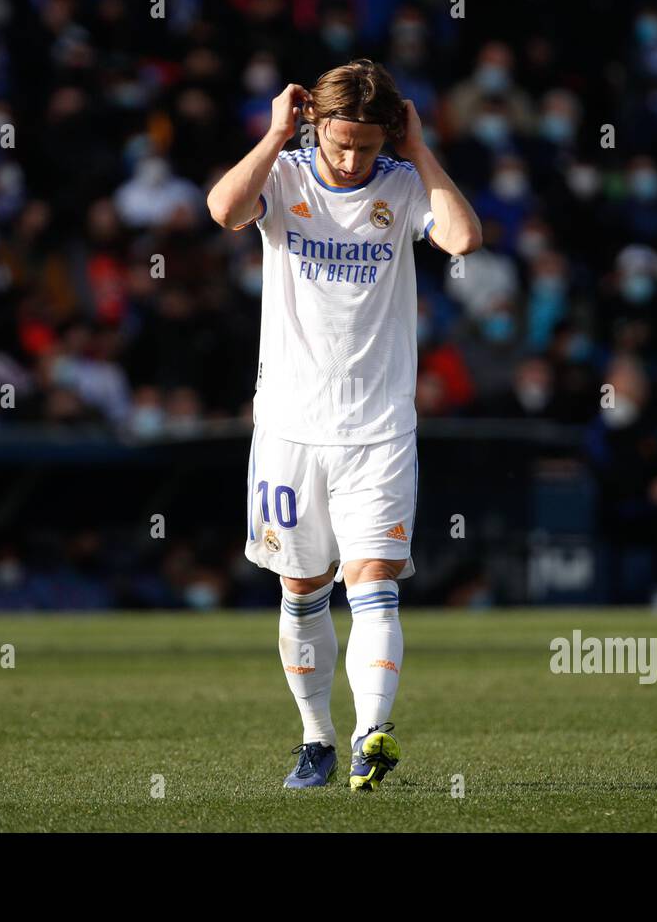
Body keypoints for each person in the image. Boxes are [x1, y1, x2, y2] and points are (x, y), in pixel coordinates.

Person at [206, 59, 482, 791]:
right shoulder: (288, 176)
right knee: (303, 589)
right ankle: (317, 739)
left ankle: (372, 735)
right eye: (339, 143)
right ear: (314, 126)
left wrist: (419, 152)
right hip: (291, 429)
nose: (352, 158)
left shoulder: (400, 184)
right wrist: (272, 136)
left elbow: (462, 239)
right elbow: (225, 210)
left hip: (380, 428)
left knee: (375, 583)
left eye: (366, 144)